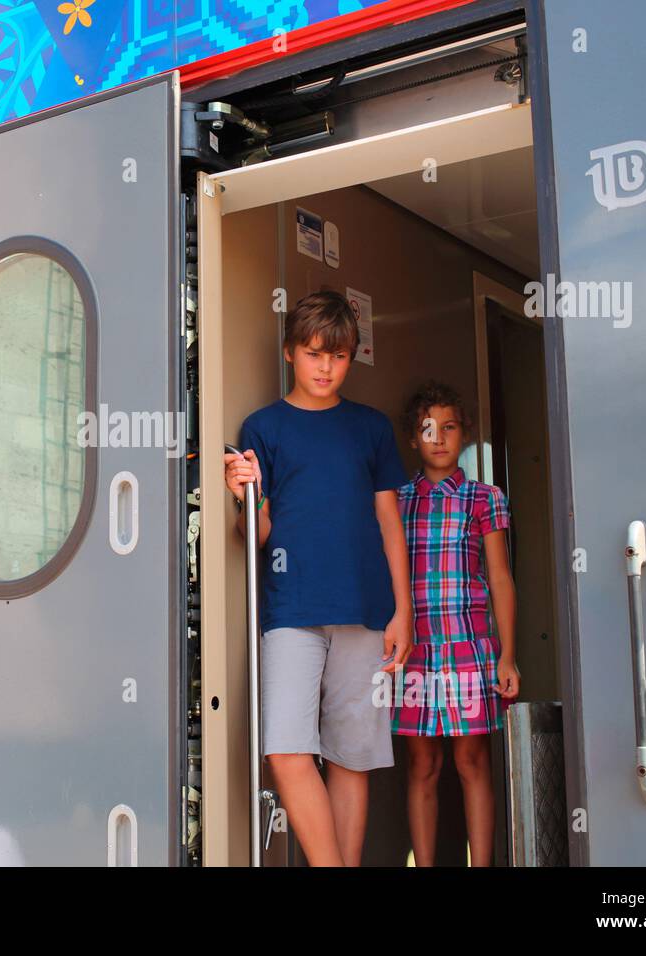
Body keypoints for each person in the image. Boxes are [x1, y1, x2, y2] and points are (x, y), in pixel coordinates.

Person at [224, 290, 412, 866]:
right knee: (285, 750)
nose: (326, 367)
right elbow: (253, 538)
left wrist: (403, 611)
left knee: (352, 757)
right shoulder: (262, 428)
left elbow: (389, 521)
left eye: (338, 356)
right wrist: (246, 497)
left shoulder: (371, 428)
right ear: (289, 352)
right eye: (313, 353)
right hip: (290, 609)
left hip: (365, 609)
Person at [391, 381, 520, 867]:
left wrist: (507, 654)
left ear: (464, 435)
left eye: (449, 427)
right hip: (415, 651)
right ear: (412, 438)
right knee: (422, 765)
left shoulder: (483, 498)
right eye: (428, 428)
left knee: (473, 761)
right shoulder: (398, 501)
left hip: (470, 648)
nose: (439, 438)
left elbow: (501, 579)